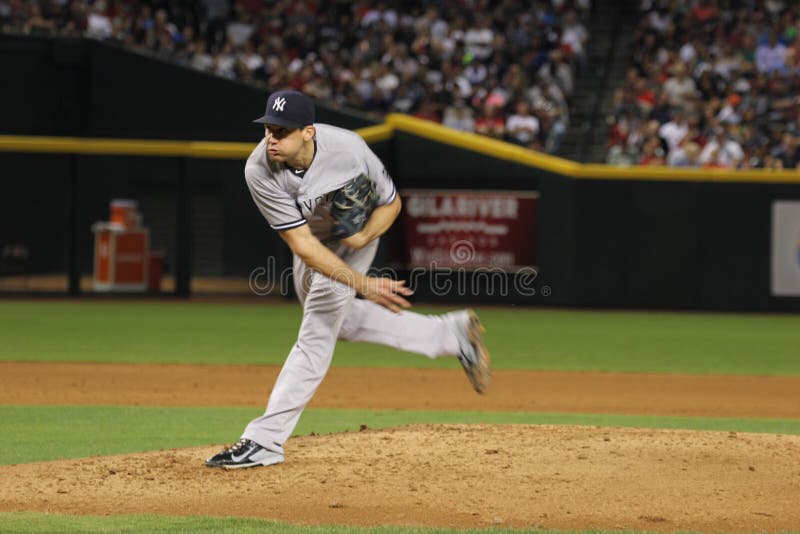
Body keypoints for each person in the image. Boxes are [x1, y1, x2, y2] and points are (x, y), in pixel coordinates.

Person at [205, 90, 492, 469]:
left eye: (282, 131)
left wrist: (363, 238)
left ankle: (265, 440)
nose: (271, 138)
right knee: (337, 322)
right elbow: (304, 245)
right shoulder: (258, 169)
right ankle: (449, 335)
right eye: (268, 129)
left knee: (316, 334)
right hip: (314, 246)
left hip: (354, 243)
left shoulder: (350, 150)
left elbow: (391, 204)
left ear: (308, 131)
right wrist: (362, 284)